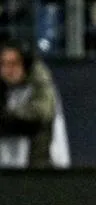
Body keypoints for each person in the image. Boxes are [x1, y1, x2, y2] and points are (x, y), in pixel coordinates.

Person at [0, 39, 68, 168]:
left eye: (14, 64)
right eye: (3, 64)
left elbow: (42, 112)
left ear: (25, 64)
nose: (8, 70)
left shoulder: (40, 81)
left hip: (43, 156)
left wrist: (9, 115)